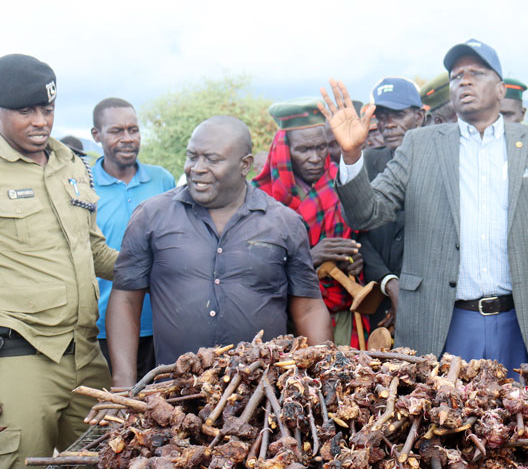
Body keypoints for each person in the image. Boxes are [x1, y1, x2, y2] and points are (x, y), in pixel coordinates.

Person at [320, 38, 528, 368]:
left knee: (522, 416)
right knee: (447, 416)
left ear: (501, 89)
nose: (465, 81)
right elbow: (368, 213)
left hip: (520, 322)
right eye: (457, 76)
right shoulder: (419, 145)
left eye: (476, 73)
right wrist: (351, 155)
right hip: (444, 322)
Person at [0, 53, 118, 469]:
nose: (39, 120)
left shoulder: (73, 164)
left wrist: (148, 266)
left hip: (84, 351)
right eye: (24, 111)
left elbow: (94, 250)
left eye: (46, 108)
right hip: (19, 354)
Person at [107, 116, 332, 384]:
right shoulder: (151, 216)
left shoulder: (284, 223)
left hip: (263, 394)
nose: (197, 168)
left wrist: (324, 378)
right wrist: (123, 383)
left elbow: (308, 309)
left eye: (212, 159)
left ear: (244, 165)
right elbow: (125, 301)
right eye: (192, 157)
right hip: (175, 392)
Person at [252, 98, 364, 347]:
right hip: (286, 320)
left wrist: (355, 260)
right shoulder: (259, 198)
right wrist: (308, 258)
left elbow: (363, 234)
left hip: (342, 308)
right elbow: (253, 272)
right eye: (304, 150)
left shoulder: (342, 181)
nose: (315, 158)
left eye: (321, 147)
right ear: (283, 150)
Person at [90, 97, 175, 377]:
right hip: (103, 326)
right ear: (96, 135)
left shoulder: (162, 181)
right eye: (116, 131)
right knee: (116, 407)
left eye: (133, 130)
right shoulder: (85, 185)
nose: (127, 138)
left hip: (162, 322)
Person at [359, 78, 425, 328]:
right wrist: (388, 281)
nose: (388, 125)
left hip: (435, 301)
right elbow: (358, 234)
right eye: (382, 116)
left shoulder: (445, 164)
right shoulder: (367, 162)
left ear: (418, 116)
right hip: (379, 301)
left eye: (397, 114)